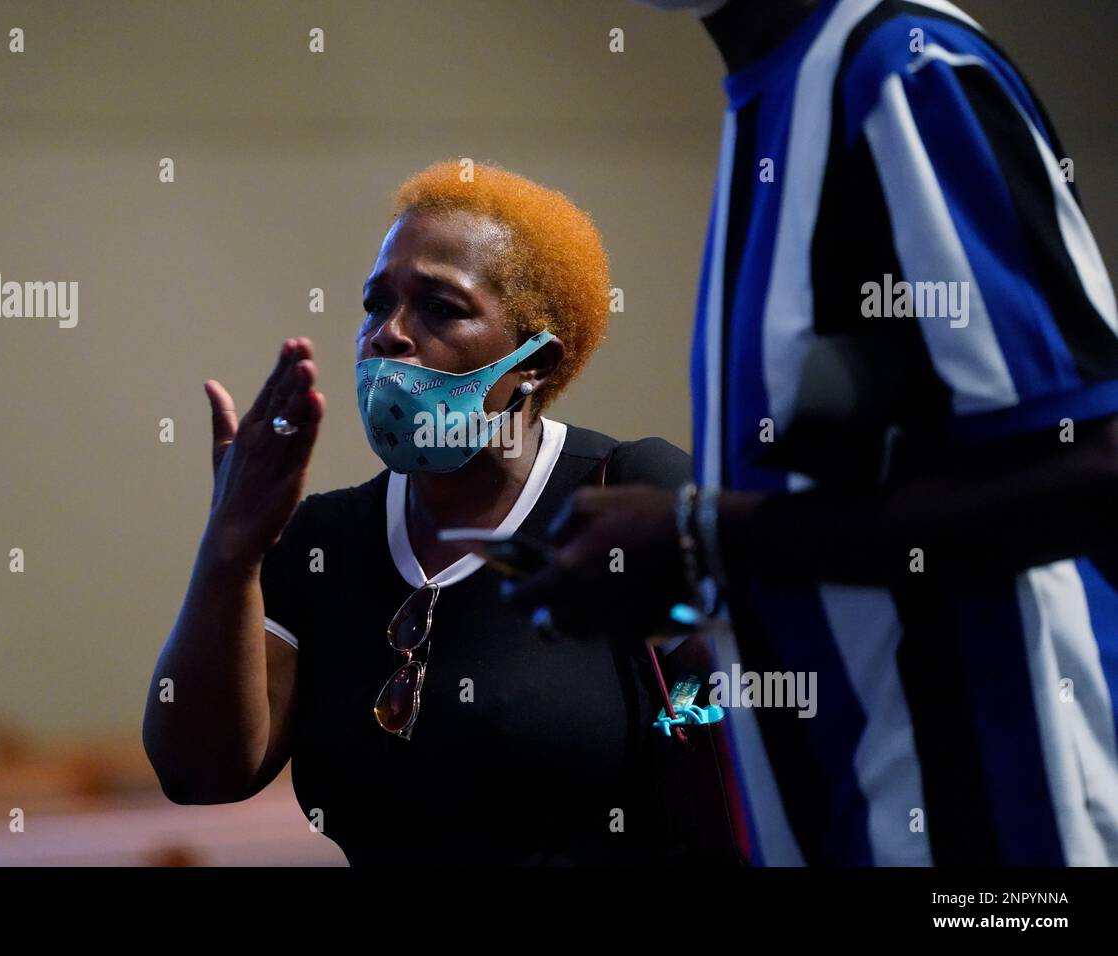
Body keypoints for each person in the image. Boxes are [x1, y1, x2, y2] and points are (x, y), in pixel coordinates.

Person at [506, 0, 1118, 865]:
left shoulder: (903, 66)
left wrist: (704, 538)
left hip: (998, 827)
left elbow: (1091, 472)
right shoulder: (772, 100)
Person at [143, 160, 740, 865]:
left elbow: (756, 738)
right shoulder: (320, 541)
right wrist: (229, 551)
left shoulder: (630, 494)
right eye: (375, 304)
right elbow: (202, 775)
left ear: (535, 363)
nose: (388, 334)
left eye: (439, 307)